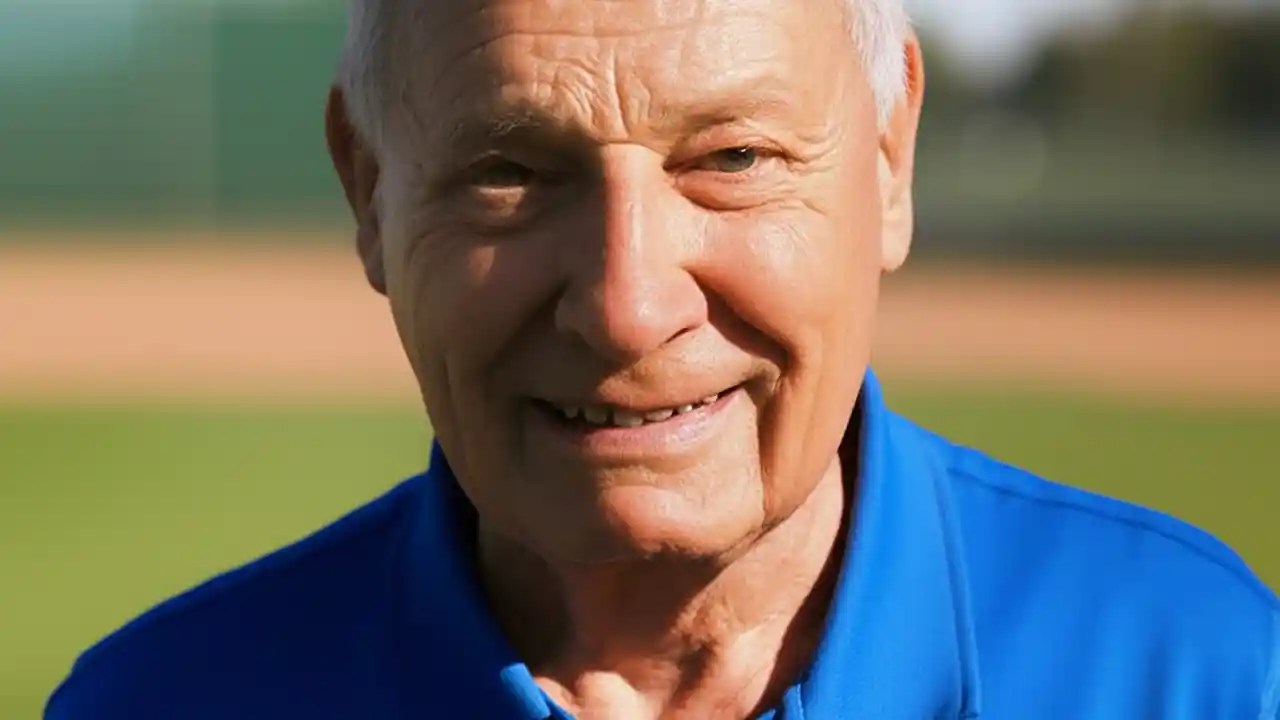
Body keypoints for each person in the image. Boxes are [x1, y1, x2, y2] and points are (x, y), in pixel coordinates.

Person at [46, 0, 1279, 717]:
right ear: (368, 193)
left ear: (889, 158)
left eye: (732, 160)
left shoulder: (1195, 673)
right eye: (508, 171)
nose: (629, 307)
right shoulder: (164, 702)